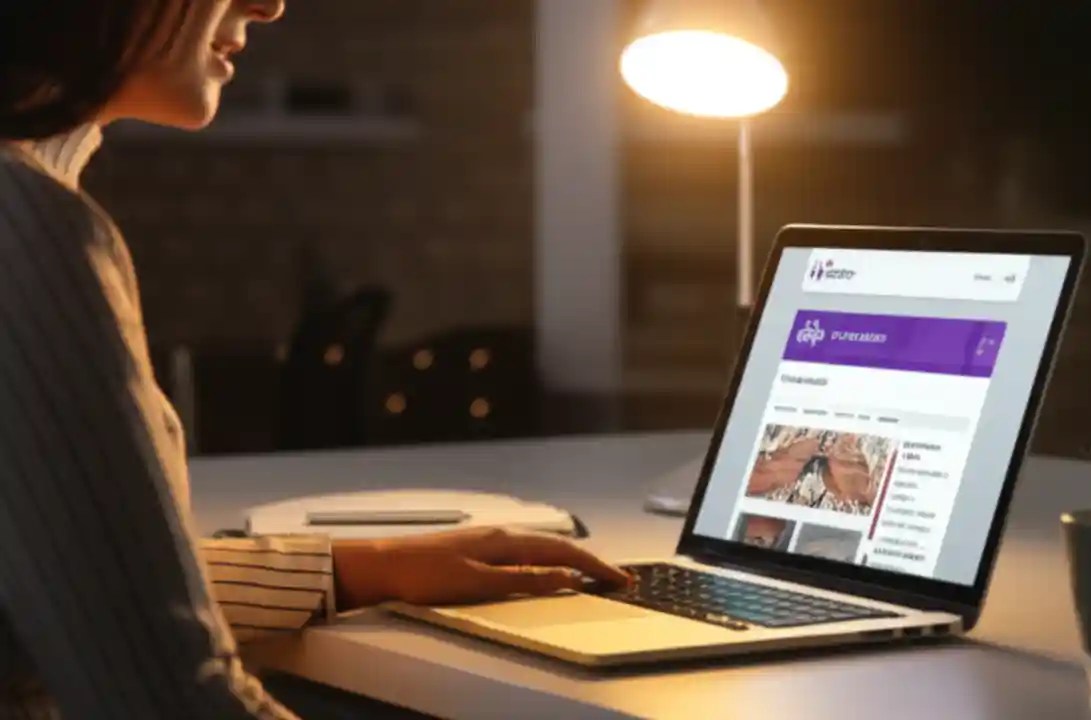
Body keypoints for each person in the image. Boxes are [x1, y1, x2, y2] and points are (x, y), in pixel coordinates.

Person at [0, 1, 629, 717]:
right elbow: (170, 701)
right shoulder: (25, 231)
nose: (268, 4)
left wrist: (362, 568)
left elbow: (70, 584)